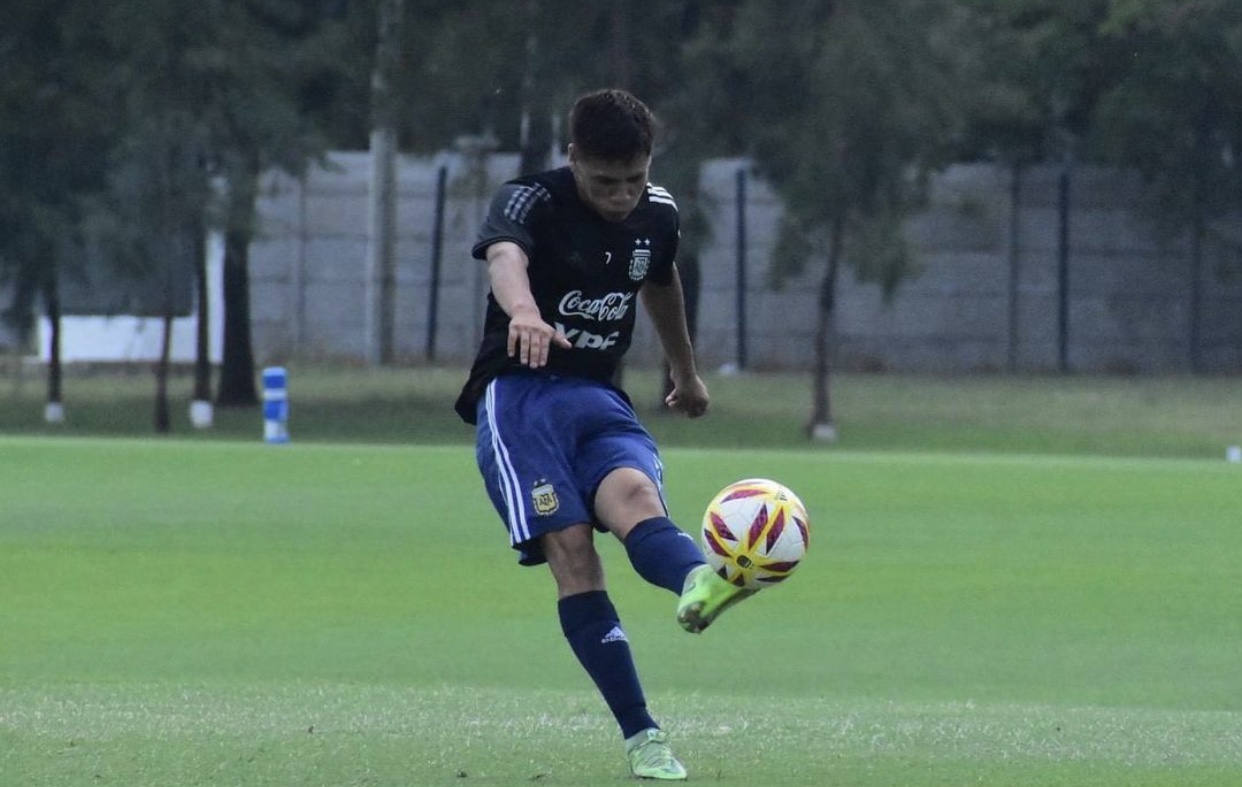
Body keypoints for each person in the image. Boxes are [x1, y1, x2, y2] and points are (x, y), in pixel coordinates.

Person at [454, 88, 753, 780]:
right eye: (604, 182)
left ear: (650, 166)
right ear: (573, 159)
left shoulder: (659, 213)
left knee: (636, 500)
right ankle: (643, 735)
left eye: (634, 181)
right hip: (521, 399)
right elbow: (504, 258)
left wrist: (686, 369)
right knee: (574, 546)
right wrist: (525, 313)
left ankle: (703, 581)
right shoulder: (532, 200)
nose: (621, 197)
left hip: (597, 396)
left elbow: (660, 280)